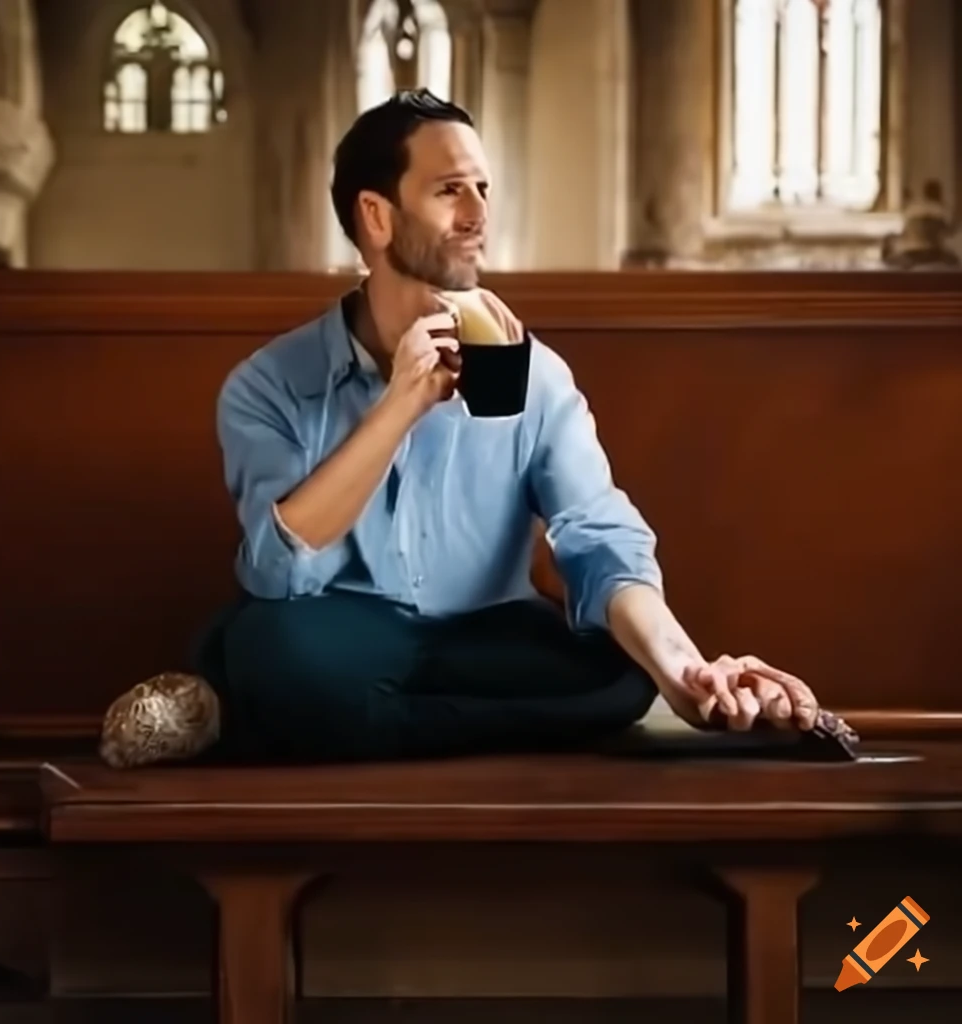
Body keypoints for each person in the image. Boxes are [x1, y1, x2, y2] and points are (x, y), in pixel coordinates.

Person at [196, 89, 819, 763]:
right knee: (270, 649)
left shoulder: (537, 374)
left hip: (487, 641)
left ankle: (331, 728)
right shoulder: (269, 383)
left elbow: (599, 536)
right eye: (449, 191)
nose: (478, 215)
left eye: (484, 189)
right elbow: (277, 571)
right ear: (375, 216)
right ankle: (380, 720)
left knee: (626, 674)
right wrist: (400, 405)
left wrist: (685, 671)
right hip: (344, 631)